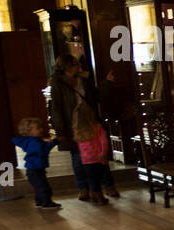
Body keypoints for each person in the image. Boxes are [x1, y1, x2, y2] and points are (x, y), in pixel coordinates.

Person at [48, 53, 120, 201]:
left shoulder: (84, 79)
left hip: (89, 120)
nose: (79, 66)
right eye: (75, 64)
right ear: (67, 67)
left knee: (100, 155)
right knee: (77, 157)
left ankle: (107, 186)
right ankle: (83, 188)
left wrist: (107, 83)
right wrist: (60, 130)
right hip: (72, 124)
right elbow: (56, 107)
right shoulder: (57, 83)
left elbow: (96, 96)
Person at [12, 117, 61, 210]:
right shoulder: (34, 142)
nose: (41, 130)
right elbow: (43, 151)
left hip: (35, 169)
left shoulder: (33, 141)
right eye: (38, 128)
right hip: (35, 169)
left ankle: (39, 201)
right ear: (28, 132)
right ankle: (47, 203)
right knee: (43, 187)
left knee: (39, 186)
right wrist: (54, 142)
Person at [72, 102, 110, 205]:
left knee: (91, 178)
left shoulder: (78, 130)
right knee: (98, 178)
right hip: (99, 157)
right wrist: (103, 152)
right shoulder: (98, 127)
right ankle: (100, 197)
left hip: (86, 159)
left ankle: (95, 195)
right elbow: (104, 141)